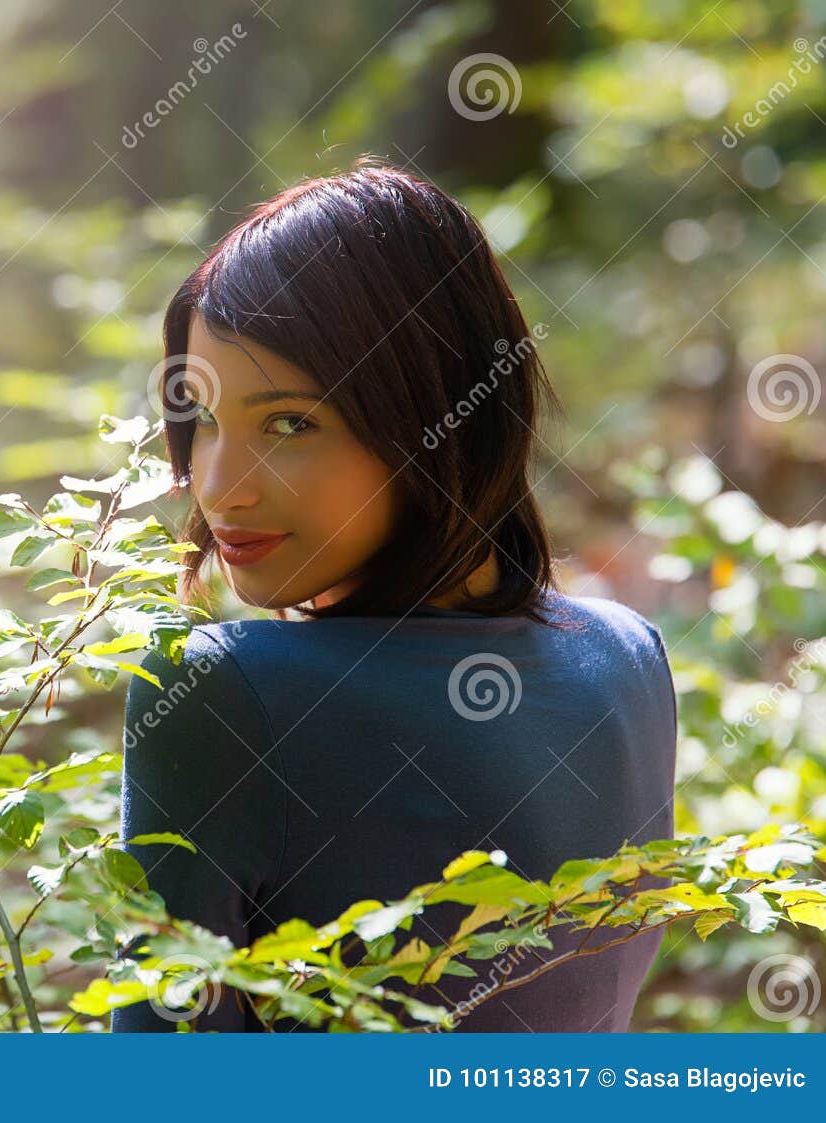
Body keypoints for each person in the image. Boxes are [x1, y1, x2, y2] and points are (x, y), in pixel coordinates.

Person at [112, 158, 677, 1032]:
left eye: (290, 424)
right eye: (206, 419)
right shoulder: (630, 654)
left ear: (434, 415)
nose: (219, 486)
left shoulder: (225, 691)